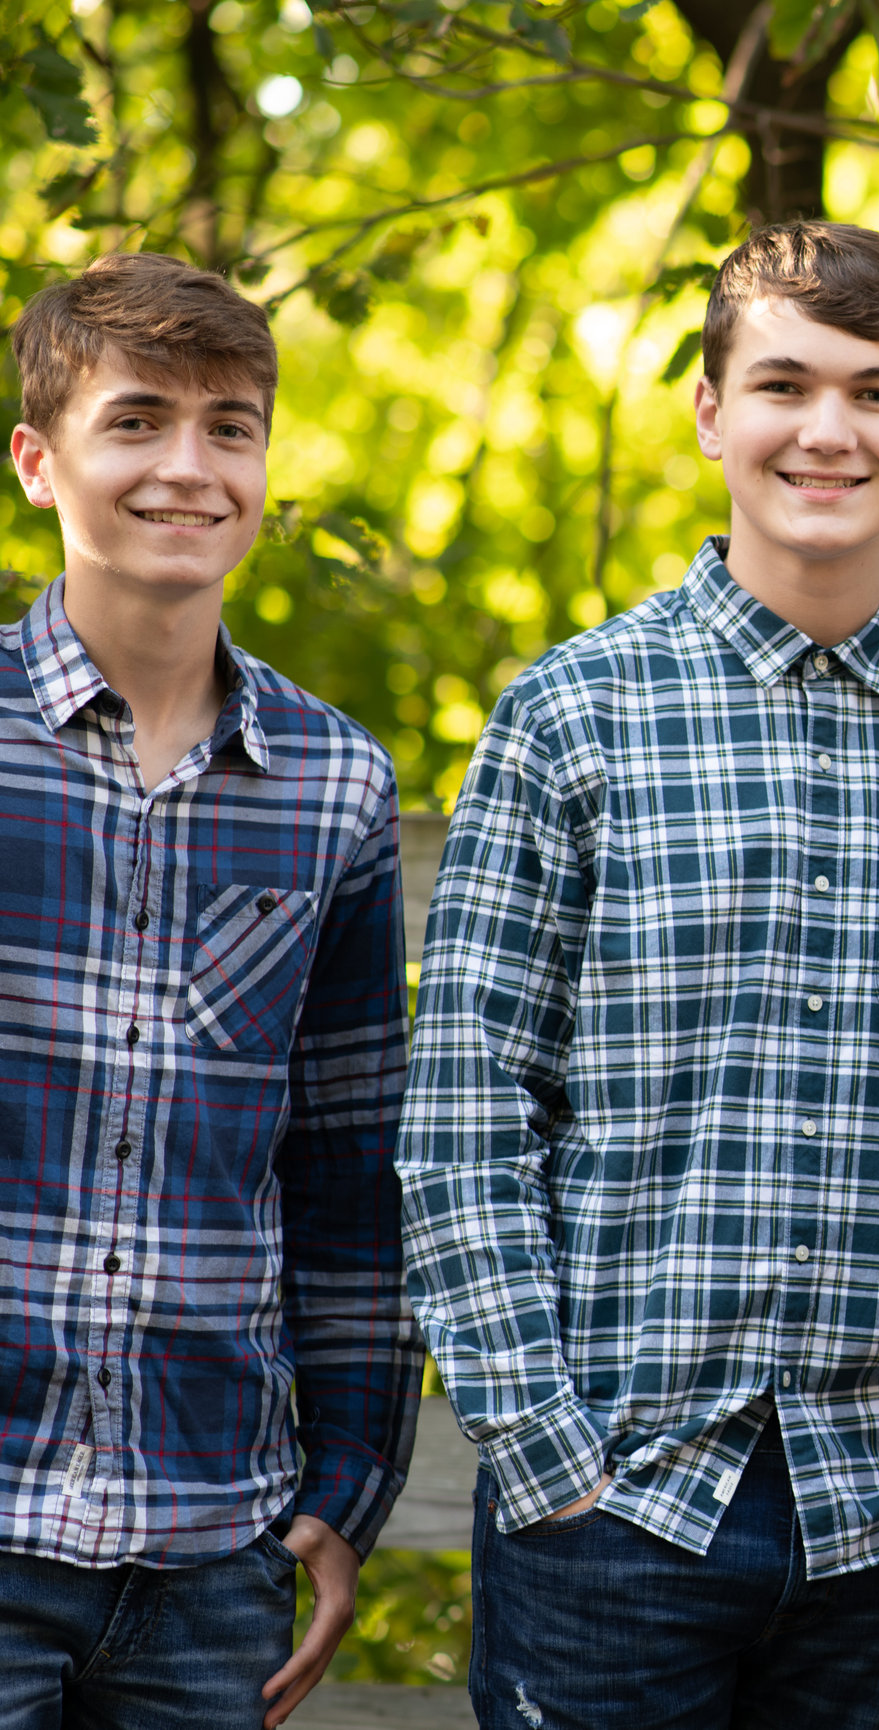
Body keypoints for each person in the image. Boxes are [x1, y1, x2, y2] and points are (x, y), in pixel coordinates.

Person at [397, 221, 879, 1730]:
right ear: (710, 413)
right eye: (784, 384)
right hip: (612, 1508)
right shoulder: (571, 719)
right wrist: (545, 1449)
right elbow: (463, 1118)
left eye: (876, 391)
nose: (827, 430)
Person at [0, 252, 420, 1729]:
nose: (189, 466)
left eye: (230, 425)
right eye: (139, 421)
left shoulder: (334, 786)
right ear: (40, 460)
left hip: (211, 1550)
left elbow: (354, 1165)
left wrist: (350, 1486)